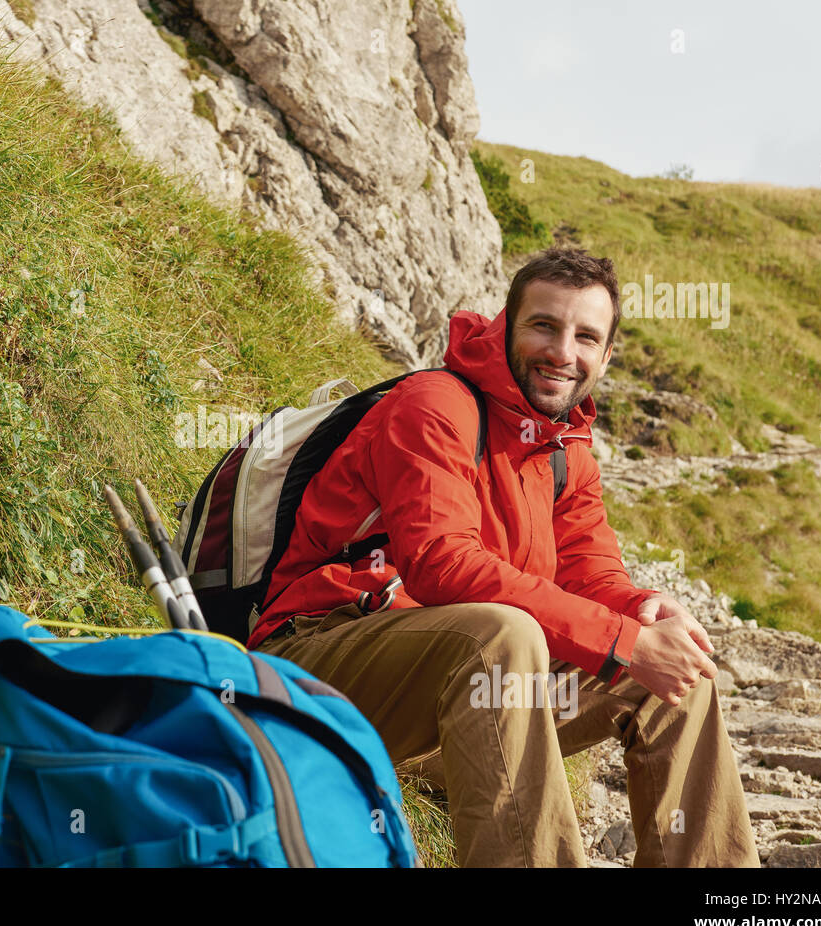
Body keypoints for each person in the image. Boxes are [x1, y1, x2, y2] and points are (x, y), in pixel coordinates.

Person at [249, 247, 758, 867]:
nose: (562, 352)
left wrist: (640, 610)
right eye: (544, 325)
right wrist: (620, 638)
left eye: (585, 336)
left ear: (606, 354)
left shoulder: (567, 448)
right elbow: (443, 563)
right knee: (501, 633)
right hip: (325, 668)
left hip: (469, 716)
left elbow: (589, 573)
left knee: (679, 676)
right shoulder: (434, 405)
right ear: (506, 325)